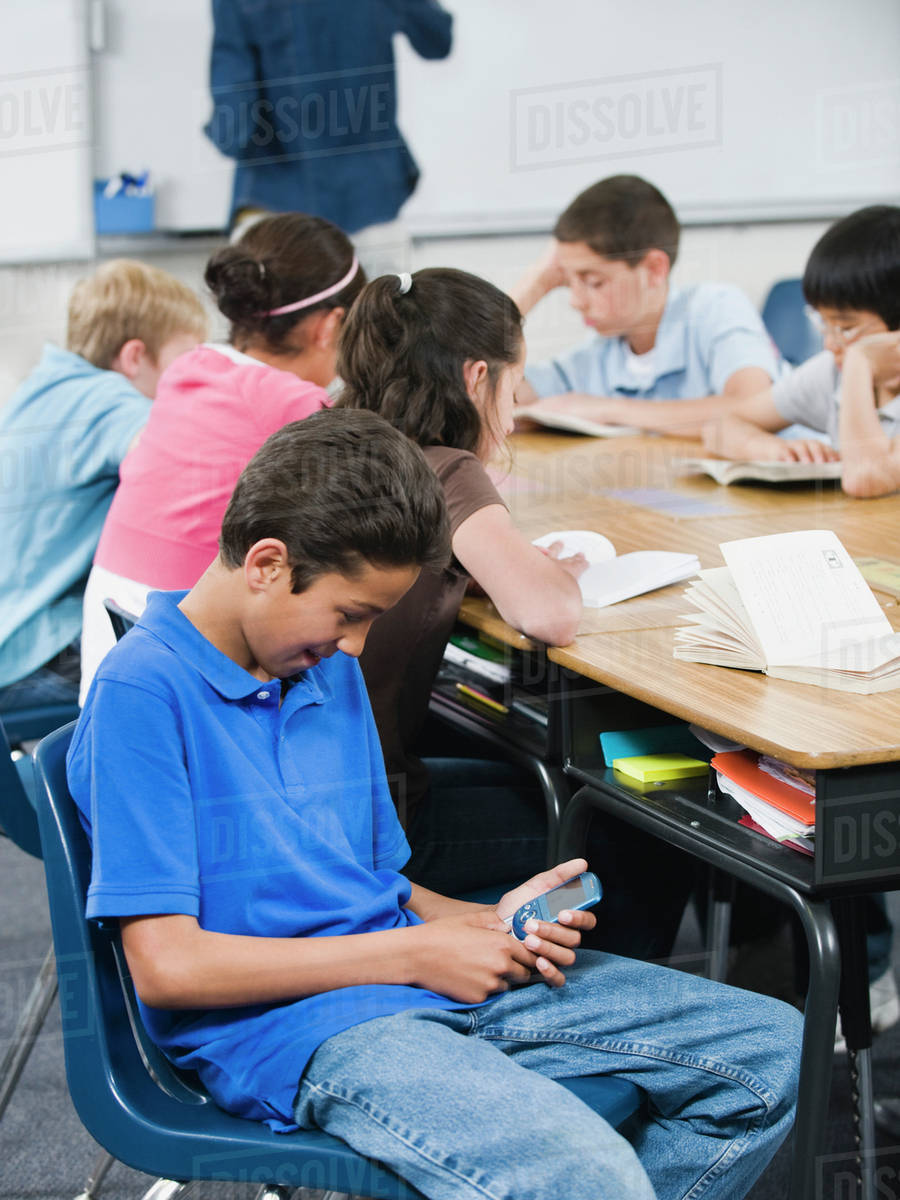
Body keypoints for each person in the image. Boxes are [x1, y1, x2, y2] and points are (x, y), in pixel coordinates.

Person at [68, 409, 802, 1200]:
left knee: (771, 1049)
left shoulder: (323, 670)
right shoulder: (142, 696)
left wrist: (483, 923)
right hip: (302, 1030)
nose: (355, 647)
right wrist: (414, 955)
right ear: (267, 563)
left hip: (409, 980)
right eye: (351, 615)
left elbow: (383, 893)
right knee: (587, 1177)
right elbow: (170, 970)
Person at [336, 268, 694, 962]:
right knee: (641, 827)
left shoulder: (341, 439)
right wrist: (551, 573)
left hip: (317, 807)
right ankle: (572, 998)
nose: (517, 401)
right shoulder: (444, 469)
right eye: (514, 380)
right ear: (477, 379)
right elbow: (550, 613)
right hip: (379, 831)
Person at [79, 211, 365, 703]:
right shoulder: (296, 406)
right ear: (331, 326)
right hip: (191, 685)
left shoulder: (192, 366)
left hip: (110, 664)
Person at [0, 259, 206, 722]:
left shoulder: (47, 384)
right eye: (187, 360)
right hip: (34, 645)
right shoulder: (110, 399)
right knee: (182, 679)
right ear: (135, 356)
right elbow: (169, 457)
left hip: (11, 628)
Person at [511, 175, 781, 436]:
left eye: (594, 282)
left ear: (654, 269)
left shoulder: (716, 308)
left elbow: (756, 407)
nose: (575, 301)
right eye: (568, 281)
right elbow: (486, 394)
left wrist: (609, 409)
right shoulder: (599, 354)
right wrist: (535, 284)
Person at [204, 0, 452, 272]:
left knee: (268, 309)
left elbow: (233, 120)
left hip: (276, 197)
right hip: (369, 195)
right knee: (382, 310)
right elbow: (438, 40)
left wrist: (227, 132)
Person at [700, 206, 900, 496]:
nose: (830, 344)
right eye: (823, 322)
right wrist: (770, 449)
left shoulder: (851, 366)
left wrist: (859, 361)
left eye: (845, 328)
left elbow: (864, 479)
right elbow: (719, 427)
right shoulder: (831, 372)